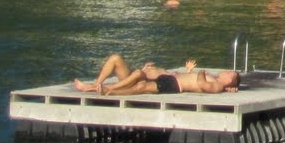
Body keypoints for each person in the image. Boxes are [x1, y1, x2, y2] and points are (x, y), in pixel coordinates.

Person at [74, 55, 239, 96]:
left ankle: (106, 90)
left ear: (229, 80)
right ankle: (97, 84)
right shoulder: (217, 80)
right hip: (168, 78)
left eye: (228, 72)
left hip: (174, 85)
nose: (225, 71)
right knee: (116, 58)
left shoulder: (217, 84)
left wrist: (201, 72)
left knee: (141, 85)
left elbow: (204, 86)